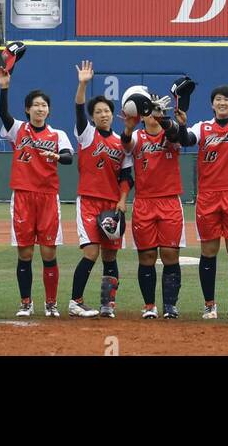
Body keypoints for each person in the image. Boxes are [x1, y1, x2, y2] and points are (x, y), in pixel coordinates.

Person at [171, 82, 228, 320]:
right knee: (208, 251)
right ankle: (209, 304)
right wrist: (182, 124)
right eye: (218, 99)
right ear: (212, 104)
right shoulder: (202, 127)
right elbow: (186, 139)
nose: (222, 103)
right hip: (208, 196)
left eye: (227, 99)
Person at [0, 67, 72, 317]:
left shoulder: (57, 134)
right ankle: (26, 302)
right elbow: (3, 114)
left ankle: (51, 304)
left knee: (48, 252)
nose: (40, 109)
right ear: (28, 109)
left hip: (48, 197)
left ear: (48, 110)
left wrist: (58, 156)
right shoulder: (18, 129)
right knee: (25, 252)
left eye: (44, 105)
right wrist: (4, 87)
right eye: (35, 105)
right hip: (23, 196)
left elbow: (69, 157)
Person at [72, 61, 132, 317]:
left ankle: (108, 304)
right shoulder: (86, 134)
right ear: (93, 116)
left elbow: (127, 176)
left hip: (111, 205)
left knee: (110, 256)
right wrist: (83, 84)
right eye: (98, 111)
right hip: (88, 201)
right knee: (91, 251)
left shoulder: (121, 143)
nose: (103, 114)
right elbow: (77, 109)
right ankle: (76, 301)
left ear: (112, 113)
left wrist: (122, 200)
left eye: (106, 110)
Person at [121, 92, 185, 319]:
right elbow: (126, 144)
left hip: (169, 201)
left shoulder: (170, 135)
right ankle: (149, 305)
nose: (154, 117)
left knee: (169, 254)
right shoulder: (138, 137)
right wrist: (128, 128)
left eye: (158, 113)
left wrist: (164, 118)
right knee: (146, 256)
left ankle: (170, 306)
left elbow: (177, 135)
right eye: (149, 113)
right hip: (144, 203)